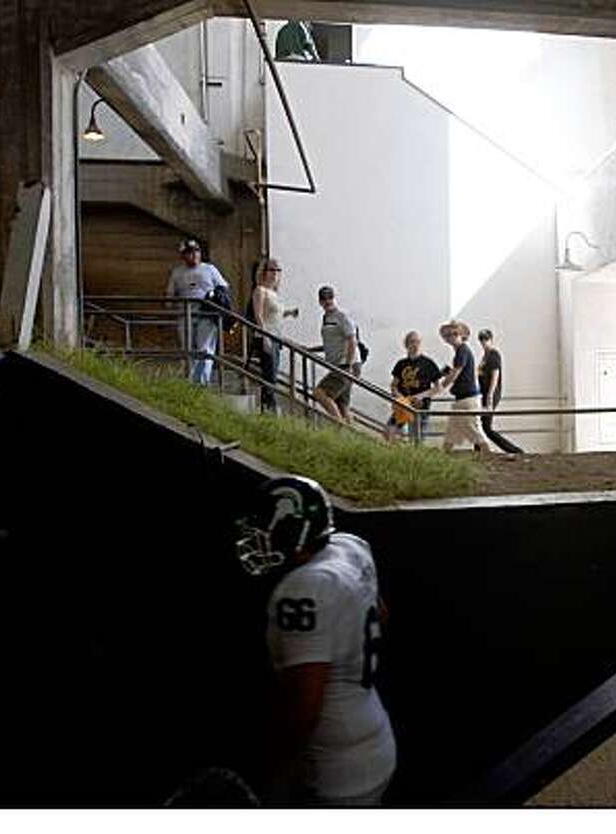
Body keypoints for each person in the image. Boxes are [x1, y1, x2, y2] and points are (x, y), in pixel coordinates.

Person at [236, 475, 396, 806]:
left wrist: (279, 774)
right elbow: (381, 613)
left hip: (334, 767)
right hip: (374, 735)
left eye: (266, 529)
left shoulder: (304, 589)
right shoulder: (350, 548)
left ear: (292, 531)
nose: (259, 537)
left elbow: (305, 703)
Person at [414, 320, 491, 453]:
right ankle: (444, 455)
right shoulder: (461, 352)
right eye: (447, 335)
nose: (450, 337)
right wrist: (444, 376)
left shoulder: (462, 351)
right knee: (452, 433)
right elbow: (457, 373)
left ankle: (489, 455)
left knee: (475, 431)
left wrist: (434, 390)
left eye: (454, 334)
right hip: (462, 399)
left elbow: (453, 376)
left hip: (468, 400)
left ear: (462, 334)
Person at [165, 238, 229, 386]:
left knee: (204, 348)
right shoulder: (177, 272)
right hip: (185, 314)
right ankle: (189, 381)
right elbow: (170, 293)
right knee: (187, 348)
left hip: (206, 314)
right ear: (183, 255)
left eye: (196, 252)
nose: (193, 255)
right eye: (189, 253)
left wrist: (216, 299)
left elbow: (223, 287)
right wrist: (169, 305)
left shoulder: (210, 269)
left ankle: (202, 382)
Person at [250, 257, 299, 414]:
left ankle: (268, 406)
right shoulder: (260, 290)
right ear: (264, 272)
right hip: (265, 336)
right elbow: (258, 315)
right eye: (272, 270)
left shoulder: (274, 293)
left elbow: (275, 314)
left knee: (273, 374)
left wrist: (289, 312)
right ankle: (269, 407)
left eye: (278, 270)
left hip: (276, 337)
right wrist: (264, 337)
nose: (275, 273)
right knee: (269, 374)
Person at [311, 285, 357, 425]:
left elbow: (352, 340)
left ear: (334, 298)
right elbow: (330, 344)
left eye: (330, 297)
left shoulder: (342, 316)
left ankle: (338, 424)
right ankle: (350, 433)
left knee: (320, 393)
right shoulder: (326, 318)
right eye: (324, 298)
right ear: (320, 301)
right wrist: (309, 350)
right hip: (339, 365)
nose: (327, 301)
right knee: (342, 406)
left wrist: (348, 365)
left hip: (346, 364)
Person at [386, 330, 442, 441]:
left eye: (418, 342)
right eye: (412, 342)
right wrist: (400, 398)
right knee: (389, 431)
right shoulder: (401, 364)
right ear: (406, 345)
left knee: (416, 438)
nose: (415, 345)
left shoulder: (429, 363)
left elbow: (438, 388)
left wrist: (420, 396)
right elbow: (394, 385)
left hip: (420, 406)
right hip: (403, 405)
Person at [476, 328, 524, 455]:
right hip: (484, 394)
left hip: (491, 393)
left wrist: (490, 395)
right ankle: (479, 450)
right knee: (480, 425)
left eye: (486, 339)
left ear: (491, 340)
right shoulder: (485, 356)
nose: (483, 342)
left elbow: (495, 375)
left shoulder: (493, 354)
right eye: (481, 339)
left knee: (486, 427)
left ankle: (514, 450)